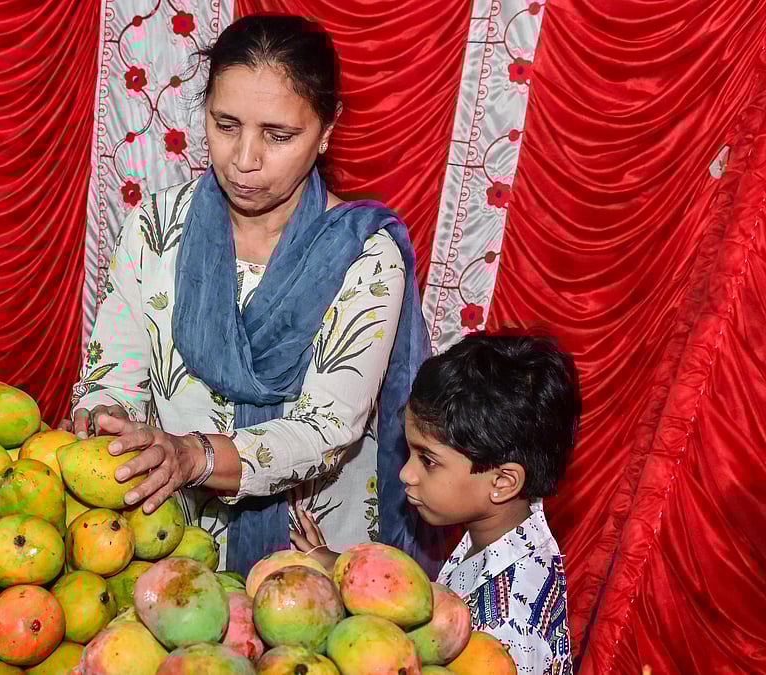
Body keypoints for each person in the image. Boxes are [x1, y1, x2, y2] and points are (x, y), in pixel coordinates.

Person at [66, 14, 438, 578]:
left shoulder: (363, 257)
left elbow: (325, 429)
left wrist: (194, 455)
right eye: (225, 124)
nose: (244, 159)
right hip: (162, 534)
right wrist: (106, 421)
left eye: (278, 135)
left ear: (327, 130)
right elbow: (112, 371)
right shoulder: (157, 225)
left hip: (303, 555)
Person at [292, 332, 579, 675]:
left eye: (427, 460)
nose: (406, 474)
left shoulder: (503, 630)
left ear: (502, 482)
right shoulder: (503, 526)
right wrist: (342, 568)